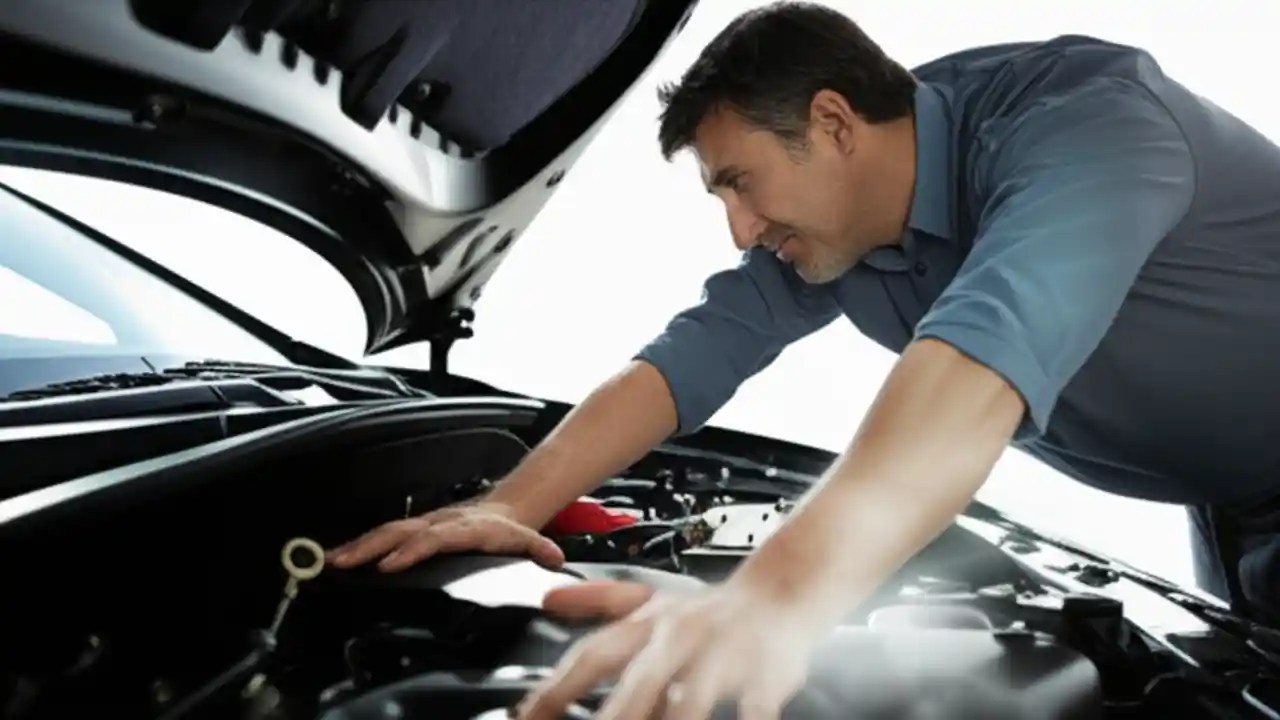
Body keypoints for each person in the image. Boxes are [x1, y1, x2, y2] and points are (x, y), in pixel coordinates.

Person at [328, 2, 1280, 718]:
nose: (742, 229)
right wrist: (508, 504)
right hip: (1230, 509)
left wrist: (776, 600)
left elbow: (984, 356)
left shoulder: (1087, 127)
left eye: (740, 184)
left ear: (832, 124)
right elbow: (689, 357)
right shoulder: (843, 220)